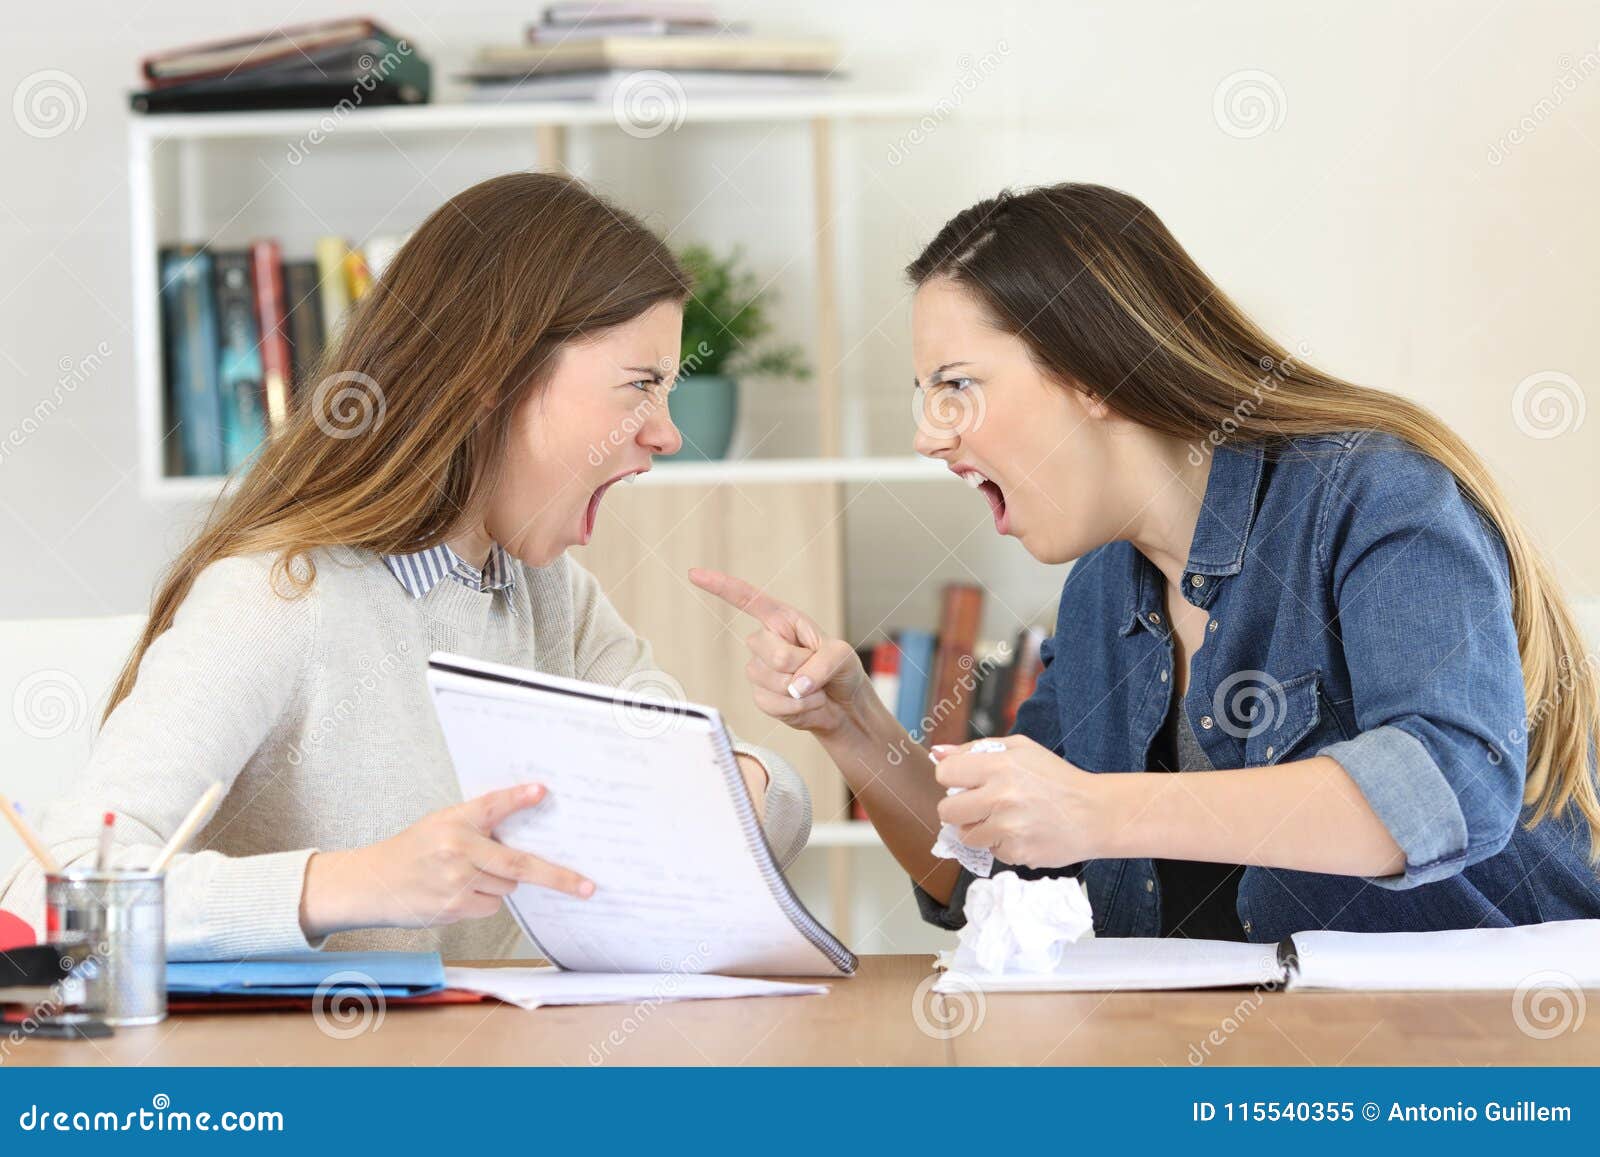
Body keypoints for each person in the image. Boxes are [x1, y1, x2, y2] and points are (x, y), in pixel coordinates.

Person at [695, 182, 1600, 941]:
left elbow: (1450, 783)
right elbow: (999, 871)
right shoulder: (1104, 589)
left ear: (1093, 372)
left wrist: (1100, 808)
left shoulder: (1372, 496)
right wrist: (852, 722)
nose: (927, 435)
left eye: (956, 385)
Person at [0, 172, 811, 960]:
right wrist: (353, 882)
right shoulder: (280, 595)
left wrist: (733, 781)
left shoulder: (547, 594)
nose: (666, 433)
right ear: (495, 375)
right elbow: (59, 889)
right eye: (639, 387)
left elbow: (776, 817)